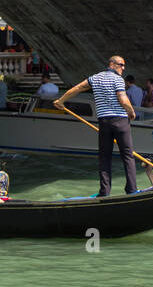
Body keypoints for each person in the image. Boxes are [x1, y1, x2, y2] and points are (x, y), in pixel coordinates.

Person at [55, 55, 137, 197]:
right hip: (120, 122)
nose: (123, 68)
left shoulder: (95, 78)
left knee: (105, 157)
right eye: (121, 64)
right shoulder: (118, 79)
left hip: (104, 122)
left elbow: (78, 88)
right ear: (112, 64)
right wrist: (132, 113)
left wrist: (61, 101)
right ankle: (131, 190)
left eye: (124, 65)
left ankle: (104, 192)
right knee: (128, 156)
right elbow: (123, 100)